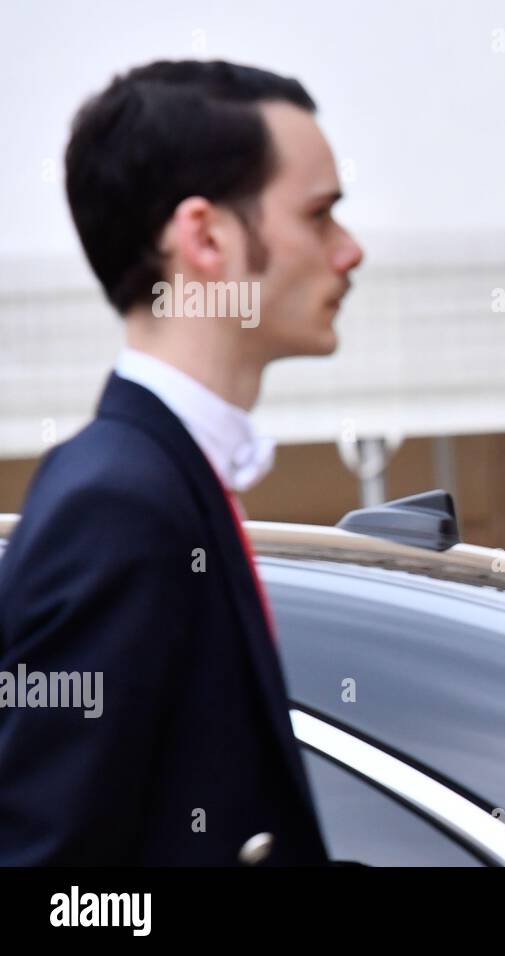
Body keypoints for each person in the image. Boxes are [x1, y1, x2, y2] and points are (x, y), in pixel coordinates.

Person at [0, 60, 364, 863]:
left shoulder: (158, 477)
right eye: (321, 216)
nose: (350, 251)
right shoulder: (121, 502)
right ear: (203, 237)